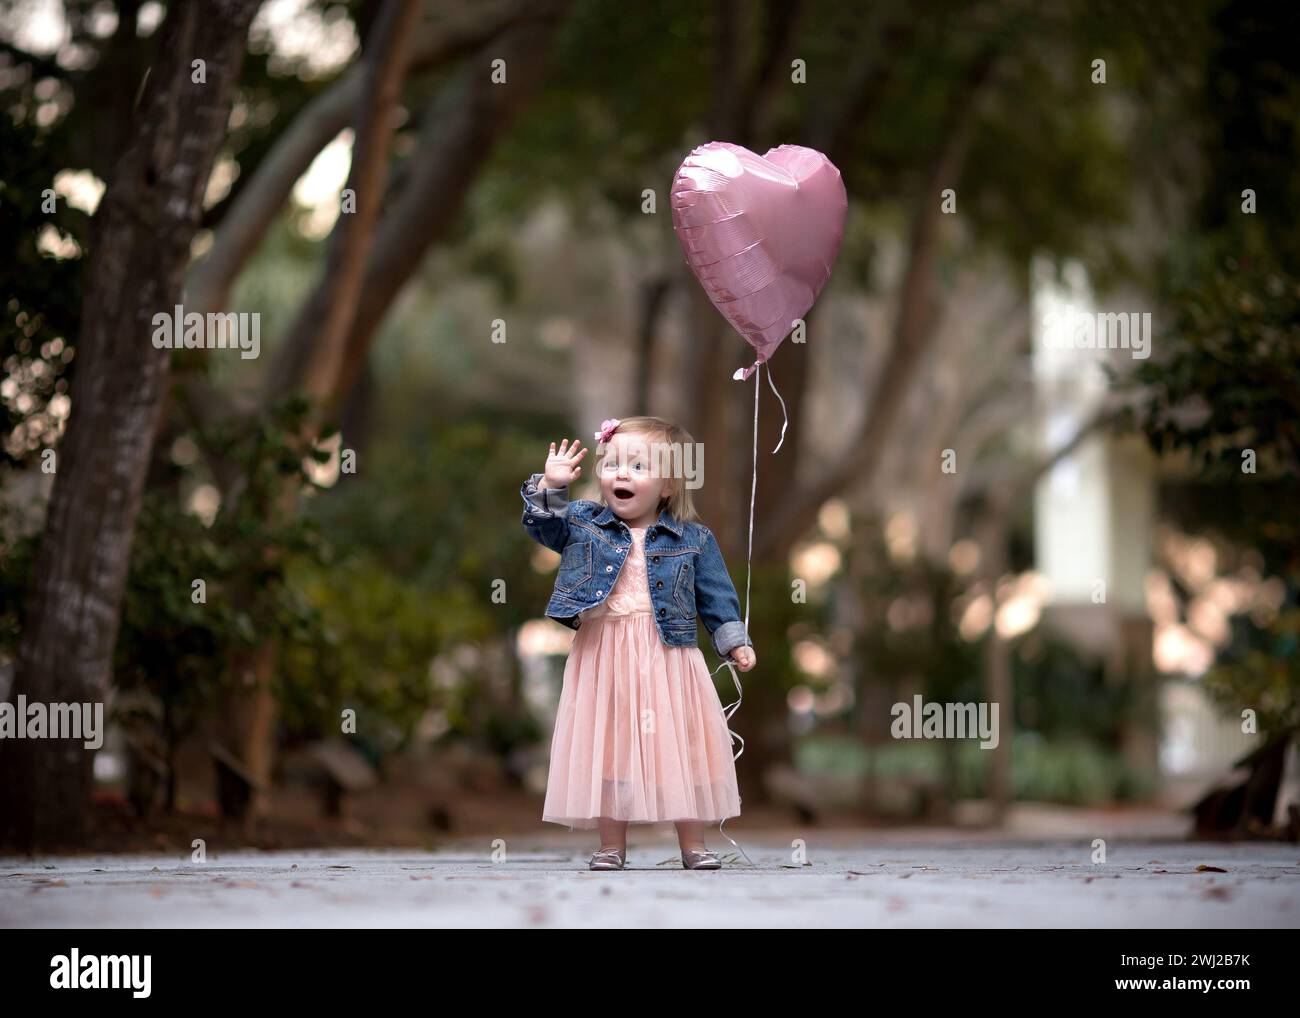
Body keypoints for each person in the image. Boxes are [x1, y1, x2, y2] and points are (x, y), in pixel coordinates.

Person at [520, 415, 756, 870]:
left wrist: (733, 641)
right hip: (603, 653)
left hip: (669, 654)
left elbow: (717, 596)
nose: (621, 474)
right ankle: (611, 843)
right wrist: (549, 487)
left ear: (667, 486)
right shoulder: (584, 523)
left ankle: (693, 843)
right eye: (612, 464)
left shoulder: (693, 538)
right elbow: (544, 527)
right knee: (608, 744)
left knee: (684, 746)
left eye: (638, 466)